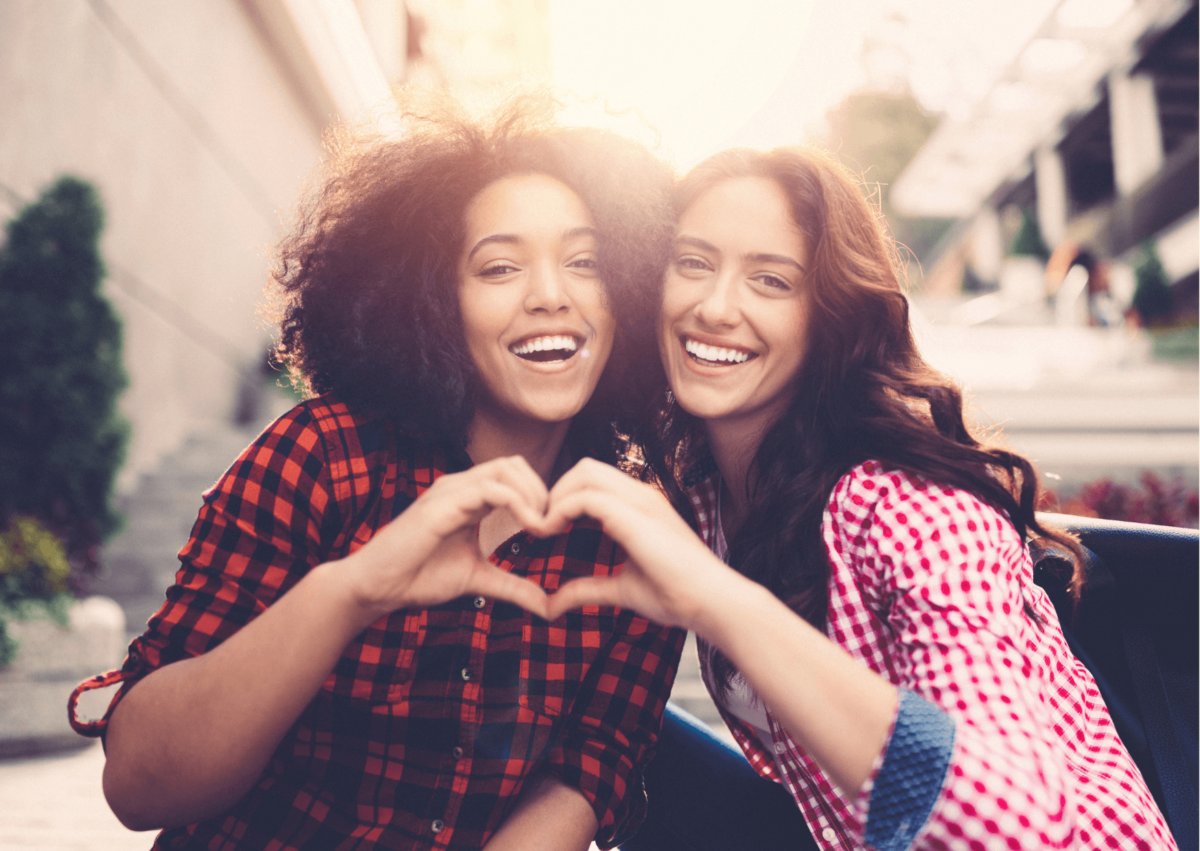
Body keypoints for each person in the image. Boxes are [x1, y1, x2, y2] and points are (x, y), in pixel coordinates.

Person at [68, 92, 684, 851]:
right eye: (497, 266)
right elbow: (138, 783)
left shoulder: (639, 536)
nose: (550, 295)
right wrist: (351, 590)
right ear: (430, 298)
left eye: (585, 262)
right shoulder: (322, 457)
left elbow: (592, 765)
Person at [528, 147, 1177, 850]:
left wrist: (718, 597)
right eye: (693, 263)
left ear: (826, 313)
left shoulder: (910, 508)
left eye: (770, 280)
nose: (715, 307)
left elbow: (1020, 826)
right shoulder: (704, 489)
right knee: (606, 736)